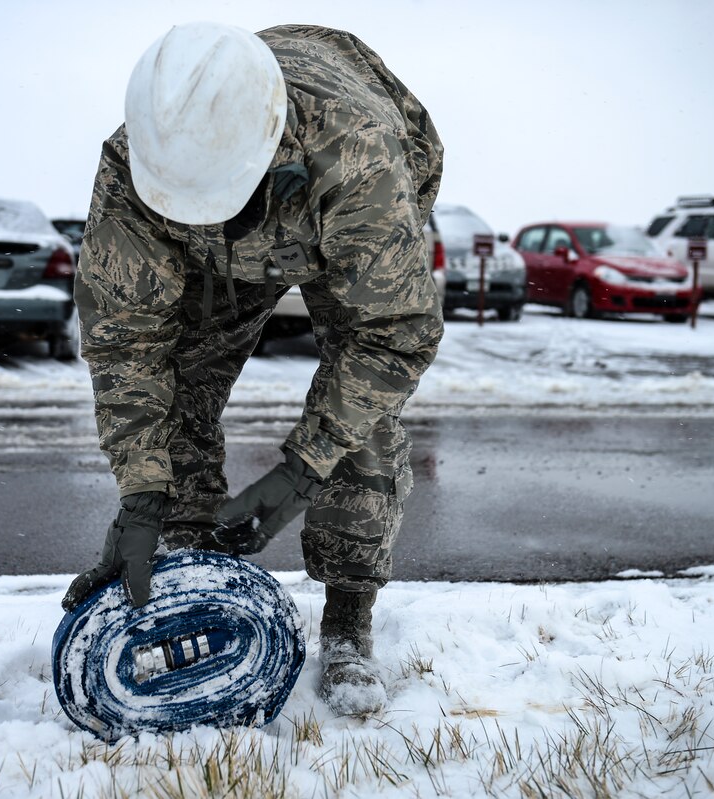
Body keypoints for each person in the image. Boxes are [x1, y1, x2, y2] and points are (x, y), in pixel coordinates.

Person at [61, 22, 443, 716]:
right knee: (175, 384)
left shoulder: (357, 155)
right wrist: (142, 493)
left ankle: (349, 616)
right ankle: (189, 572)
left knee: (362, 409)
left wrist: (301, 469)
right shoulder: (135, 162)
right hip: (220, 251)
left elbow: (394, 335)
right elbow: (125, 342)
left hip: (329, 214)